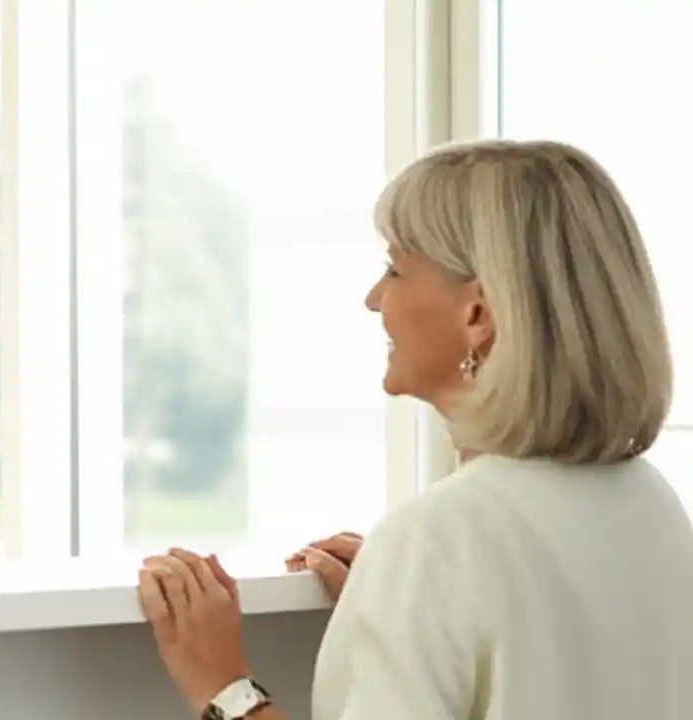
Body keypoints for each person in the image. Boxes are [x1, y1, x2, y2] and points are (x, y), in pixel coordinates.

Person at [137, 140, 693, 719]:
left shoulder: (439, 537)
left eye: (395, 269)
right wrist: (402, 603)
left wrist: (223, 686)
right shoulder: (652, 502)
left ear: (477, 313)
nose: (375, 299)